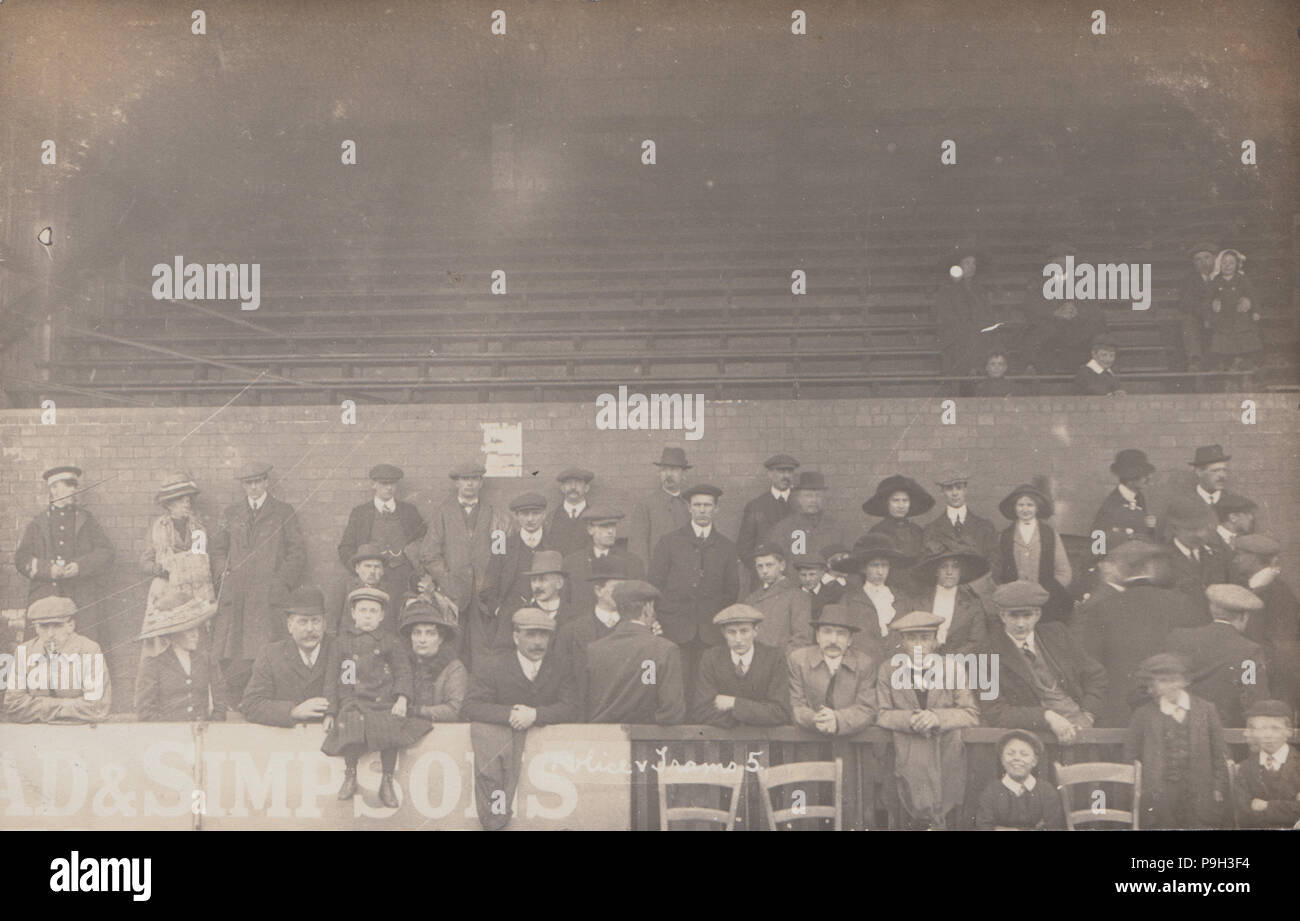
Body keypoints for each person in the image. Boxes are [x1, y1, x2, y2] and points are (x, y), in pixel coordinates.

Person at [461, 607, 582, 829]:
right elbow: (471, 706)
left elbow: (573, 707)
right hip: (502, 753)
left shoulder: (561, 666)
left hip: (549, 774)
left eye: (543, 635)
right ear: (516, 637)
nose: (538, 642)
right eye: (531, 634)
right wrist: (511, 715)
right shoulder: (492, 665)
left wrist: (535, 715)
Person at [1070, 540, 1202, 728]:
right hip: (1175, 712)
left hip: (1118, 715)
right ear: (1151, 566)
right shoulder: (1183, 605)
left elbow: (1086, 664)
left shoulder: (1101, 608)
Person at [322, 587, 431, 808]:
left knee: (390, 727)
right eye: (363, 610)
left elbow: (402, 672)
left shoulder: (390, 642)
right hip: (353, 699)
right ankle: (350, 774)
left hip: (383, 700)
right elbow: (331, 679)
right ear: (353, 613)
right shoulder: (341, 642)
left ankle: (387, 781)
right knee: (350, 722)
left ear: (381, 616)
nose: (368, 615)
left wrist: (402, 698)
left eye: (373, 611)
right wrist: (330, 712)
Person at [210, 462, 307, 702]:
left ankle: (264, 699)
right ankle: (236, 701)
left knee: (267, 648)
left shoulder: (283, 512)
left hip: (268, 595)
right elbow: (219, 549)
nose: (253, 487)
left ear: (266, 482)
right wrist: (225, 575)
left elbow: (297, 552)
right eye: (248, 483)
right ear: (243, 486)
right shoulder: (231, 514)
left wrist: (280, 582)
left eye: (257, 482)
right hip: (238, 595)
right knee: (234, 649)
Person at [875, 610, 979, 830]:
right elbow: (882, 713)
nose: (918, 644)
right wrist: (910, 719)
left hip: (946, 753)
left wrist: (936, 717)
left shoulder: (953, 668)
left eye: (925, 637)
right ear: (902, 642)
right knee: (908, 815)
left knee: (945, 814)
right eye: (912, 638)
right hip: (907, 755)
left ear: (935, 641)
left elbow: (970, 712)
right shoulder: (888, 669)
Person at [980, 581, 1106, 742]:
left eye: (1027, 616)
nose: (1020, 624)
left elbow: (1096, 676)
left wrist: (1088, 713)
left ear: (1038, 614)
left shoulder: (1058, 634)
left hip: (1082, 729)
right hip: (1032, 738)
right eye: (1013, 615)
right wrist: (1046, 717)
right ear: (1002, 615)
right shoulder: (983, 654)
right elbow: (995, 711)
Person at [648, 484, 739, 696]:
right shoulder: (669, 542)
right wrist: (660, 618)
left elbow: (731, 590)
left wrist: (716, 618)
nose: (702, 510)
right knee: (675, 684)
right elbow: (654, 584)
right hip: (674, 628)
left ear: (716, 509)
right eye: (697, 505)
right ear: (689, 508)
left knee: (705, 687)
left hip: (710, 630)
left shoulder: (726, 546)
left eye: (708, 505)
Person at [408, 461, 498, 670]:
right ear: (457, 483)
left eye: (474, 480)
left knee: (483, 648)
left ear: (481, 483)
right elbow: (429, 553)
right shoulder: (443, 514)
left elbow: (500, 553)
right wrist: (447, 579)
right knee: (452, 647)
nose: (470, 484)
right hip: (453, 594)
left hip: (483, 593)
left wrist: (491, 579)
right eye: (465, 480)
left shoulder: (492, 512)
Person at [15, 464, 116, 645]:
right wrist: (48, 569)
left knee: (85, 649)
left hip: (81, 595)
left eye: (74, 485)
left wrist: (80, 566)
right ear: (53, 489)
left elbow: (106, 552)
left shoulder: (86, 519)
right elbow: (22, 559)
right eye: (67, 485)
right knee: (42, 649)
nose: (73, 489)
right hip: (46, 593)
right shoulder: (37, 523)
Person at [1125, 653, 1228, 829]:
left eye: (1175, 680)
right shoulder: (1143, 714)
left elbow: (1220, 752)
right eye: (1163, 681)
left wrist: (1218, 786)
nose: (1171, 685)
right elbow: (1131, 756)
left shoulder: (1206, 710)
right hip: (1160, 790)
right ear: (1153, 686)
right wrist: (1141, 791)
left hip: (1199, 789)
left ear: (1185, 681)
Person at [1164, 584, 1270, 727]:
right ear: (1244, 616)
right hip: (1224, 733)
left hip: (1181, 729)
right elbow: (1254, 697)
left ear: (1212, 610)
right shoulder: (1248, 651)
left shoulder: (1179, 638)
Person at [585, 581, 686, 724]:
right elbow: (672, 713)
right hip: (646, 741)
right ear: (648, 608)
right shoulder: (665, 649)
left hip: (604, 740)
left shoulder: (594, 649)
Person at [1, 595, 111, 724]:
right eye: (43, 627)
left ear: (70, 625)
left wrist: (38, 707)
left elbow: (97, 706)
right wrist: (68, 707)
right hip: (34, 734)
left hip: (79, 733)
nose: (50, 634)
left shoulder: (89, 649)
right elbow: (13, 705)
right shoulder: (24, 651)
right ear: (36, 628)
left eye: (57, 626)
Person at [140, 472, 215, 653]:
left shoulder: (197, 528)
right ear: (170, 504)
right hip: (169, 591)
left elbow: (202, 559)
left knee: (196, 639)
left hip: (196, 592)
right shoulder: (159, 528)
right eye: (181, 500)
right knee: (170, 641)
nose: (186, 504)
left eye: (188, 500)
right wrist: (160, 568)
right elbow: (145, 561)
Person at [240, 586, 335, 727]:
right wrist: (292, 711)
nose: (310, 628)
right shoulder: (270, 655)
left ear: (324, 624)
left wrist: (332, 713)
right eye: (303, 621)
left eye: (315, 621)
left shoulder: (344, 654)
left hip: (330, 740)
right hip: (286, 743)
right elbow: (251, 704)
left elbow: (352, 694)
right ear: (290, 625)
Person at [336, 464, 426, 609]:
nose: (389, 488)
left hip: (403, 579)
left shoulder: (409, 512)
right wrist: (360, 573)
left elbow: (424, 544)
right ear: (374, 484)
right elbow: (345, 548)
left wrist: (415, 571)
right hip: (372, 581)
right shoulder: (361, 513)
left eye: (393, 483)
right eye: (384, 483)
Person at [134, 588, 227, 722]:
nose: (196, 634)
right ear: (173, 633)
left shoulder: (207, 660)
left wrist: (211, 729)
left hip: (203, 735)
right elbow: (146, 712)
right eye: (189, 630)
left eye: (196, 628)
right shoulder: (153, 664)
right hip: (167, 738)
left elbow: (220, 704)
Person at [691, 604, 791, 728]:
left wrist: (734, 703)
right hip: (724, 740)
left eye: (744, 631)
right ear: (723, 633)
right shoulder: (711, 658)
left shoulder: (774, 658)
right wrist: (753, 716)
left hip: (764, 739)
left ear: (755, 631)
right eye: (731, 632)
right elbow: (701, 711)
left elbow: (781, 712)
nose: (738, 639)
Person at [788, 603, 878, 736]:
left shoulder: (864, 664)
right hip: (808, 740)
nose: (833, 640)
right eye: (827, 632)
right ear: (817, 636)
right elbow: (795, 704)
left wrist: (837, 719)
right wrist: (814, 718)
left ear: (850, 640)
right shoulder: (798, 660)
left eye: (841, 634)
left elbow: (866, 708)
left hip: (849, 741)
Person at [1231, 534, 1299, 707]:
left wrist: (1253, 677)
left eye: (1239, 555)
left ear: (1254, 558)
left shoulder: (1276, 593)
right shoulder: (1257, 587)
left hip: (1270, 678)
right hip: (1255, 670)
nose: (1235, 560)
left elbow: (1281, 646)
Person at [995, 481, 1072, 622]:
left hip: (1047, 604)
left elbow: (1064, 572)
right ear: (1014, 508)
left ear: (1037, 508)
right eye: (1020, 505)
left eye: (1030, 505)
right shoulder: (1004, 536)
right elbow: (997, 574)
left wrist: (1043, 594)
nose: (1025, 509)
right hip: (1014, 606)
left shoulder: (1050, 535)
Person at [900, 549, 990, 657]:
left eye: (955, 567)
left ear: (961, 571)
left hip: (960, 665)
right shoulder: (918, 602)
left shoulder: (973, 605)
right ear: (936, 571)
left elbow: (977, 642)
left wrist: (950, 660)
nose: (949, 572)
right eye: (944, 567)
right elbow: (908, 637)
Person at [834, 534, 911, 659]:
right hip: (861, 666)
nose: (880, 572)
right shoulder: (849, 600)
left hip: (896, 665)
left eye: (884, 565)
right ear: (863, 569)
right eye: (875, 565)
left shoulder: (901, 599)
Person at [480, 492, 554, 619]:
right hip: (510, 616)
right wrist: (499, 610)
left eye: (535, 513)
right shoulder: (502, 545)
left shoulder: (555, 544)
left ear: (544, 515)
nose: (530, 519)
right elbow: (488, 587)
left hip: (547, 614)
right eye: (525, 514)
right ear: (516, 516)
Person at [974, 729, 1066, 830]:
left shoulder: (1047, 791)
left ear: (1034, 761)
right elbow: (983, 827)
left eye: (1024, 754)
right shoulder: (991, 792)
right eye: (1010, 753)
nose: (1017, 758)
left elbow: (1054, 827)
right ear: (1002, 760)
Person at [736, 454, 799, 593]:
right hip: (764, 582)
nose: (786, 476)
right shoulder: (756, 506)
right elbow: (744, 547)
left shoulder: (801, 504)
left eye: (789, 471)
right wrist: (764, 569)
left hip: (797, 578)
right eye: (781, 471)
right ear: (770, 474)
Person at [1233, 700, 1300, 829]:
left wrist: (1267, 806)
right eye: (1262, 728)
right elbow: (1245, 816)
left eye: (1275, 728)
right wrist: (1290, 807)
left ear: (1288, 732)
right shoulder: (1245, 769)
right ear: (1254, 732)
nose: (1268, 735)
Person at [495, 550, 583, 648]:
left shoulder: (575, 617)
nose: (537, 586)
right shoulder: (515, 615)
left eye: (543, 580)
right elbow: (501, 652)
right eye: (533, 580)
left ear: (559, 583)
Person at [921, 469, 999, 579]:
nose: (954, 493)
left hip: (978, 592)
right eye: (949, 489)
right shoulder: (931, 529)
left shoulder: (985, 527)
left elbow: (995, 564)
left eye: (959, 488)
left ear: (965, 490)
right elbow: (928, 568)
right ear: (942, 491)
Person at [935, 245, 995, 386]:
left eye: (973, 263)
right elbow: (946, 316)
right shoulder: (947, 289)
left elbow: (988, 315)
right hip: (955, 338)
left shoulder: (979, 289)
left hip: (978, 336)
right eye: (967, 263)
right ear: (958, 266)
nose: (972, 266)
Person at [561, 508, 645, 608]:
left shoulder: (632, 562)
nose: (611, 531)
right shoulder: (572, 563)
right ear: (590, 529)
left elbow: (638, 603)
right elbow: (565, 605)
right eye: (604, 526)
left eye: (613, 526)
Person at [765, 471, 858, 561]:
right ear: (798, 498)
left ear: (824, 498)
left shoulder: (837, 527)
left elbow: (849, 561)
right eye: (808, 496)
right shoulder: (783, 528)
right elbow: (776, 562)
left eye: (818, 495)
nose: (813, 500)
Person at [403, 598, 468, 722]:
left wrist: (417, 711)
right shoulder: (402, 665)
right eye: (417, 633)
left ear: (440, 638)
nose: (422, 640)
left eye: (430, 633)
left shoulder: (453, 668)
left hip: (441, 734)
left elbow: (455, 710)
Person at [743, 543, 813, 656]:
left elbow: (802, 638)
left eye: (769, 565)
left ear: (782, 566)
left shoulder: (797, 596)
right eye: (760, 566)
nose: (764, 571)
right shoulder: (752, 599)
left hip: (782, 664)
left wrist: (781, 662)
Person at [627, 447, 691, 568]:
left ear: (683, 474)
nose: (668, 474)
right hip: (658, 577)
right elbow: (638, 548)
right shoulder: (646, 505)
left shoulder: (690, 505)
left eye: (674, 469)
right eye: (664, 470)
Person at [1162, 499, 1229, 613]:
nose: (1200, 534)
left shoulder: (1216, 556)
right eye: (1192, 529)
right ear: (1175, 529)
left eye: (1204, 528)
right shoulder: (1161, 559)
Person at [1205, 248, 1261, 371]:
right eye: (1224, 262)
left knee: (1243, 335)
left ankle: (1242, 358)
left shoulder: (1242, 279)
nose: (1228, 265)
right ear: (1219, 264)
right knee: (1223, 338)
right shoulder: (1216, 281)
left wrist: (1256, 311)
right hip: (1223, 315)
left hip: (1239, 314)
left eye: (1231, 262)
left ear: (1237, 265)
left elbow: (1252, 295)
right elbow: (1208, 299)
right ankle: (1225, 360)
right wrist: (1208, 316)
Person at [1090, 449, 1158, 549]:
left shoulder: (1139, 497)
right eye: (1143, 475)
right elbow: (1097, 541)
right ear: (1129, 479)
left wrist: (1149, 526)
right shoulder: (1113, 503)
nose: (1148, 478)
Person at [1161, 444, 1231, 537]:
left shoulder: (1234, 503)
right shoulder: (1182, 504)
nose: (1222, 476)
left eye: (1224, 470)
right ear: (1199, 472)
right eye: (1215, 471)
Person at [861, 475, 934, 561]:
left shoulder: (917, 531)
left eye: (905, 500)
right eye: (895, 500)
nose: (901, 506)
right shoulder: (877, 531)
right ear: (887, 503)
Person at [331, 544, 391, 635]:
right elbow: (332, 622)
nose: (372, 571)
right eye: (367, 566)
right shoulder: (345, 587)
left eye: (377, 567)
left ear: (382, 571)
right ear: (357, 568)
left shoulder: (388, 592)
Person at [1176, 242, 1217, 371]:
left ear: (1215, 258)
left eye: (1207, 257)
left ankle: (1236, 359)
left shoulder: (1226, 275)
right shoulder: (1189, 280)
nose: (1203, 262)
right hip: (1200, 318)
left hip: (1222, 315)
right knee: (1188, 319)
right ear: (1194, 263)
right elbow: (1187, 302)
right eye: (1198, 259)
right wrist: (1206, 316)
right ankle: (1195, 360)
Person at [544, 467, 596, 557]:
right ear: (562, 488)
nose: (573, 487)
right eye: (569, 483)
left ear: (586, 488)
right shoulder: (550, 518)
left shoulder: (595, 517)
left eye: (578, 483)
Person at [1206, 493, 1256, 558]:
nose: (1251, 518)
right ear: (1233, 518)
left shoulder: (1248, 541)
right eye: (1247, 514)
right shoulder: (1208, 541)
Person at [791, 552, 834, 617]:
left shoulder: (832, 596)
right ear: (798, 575)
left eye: (812, 574)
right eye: (803, 575)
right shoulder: (791, 596)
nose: (807, 579)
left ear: (822, 574)